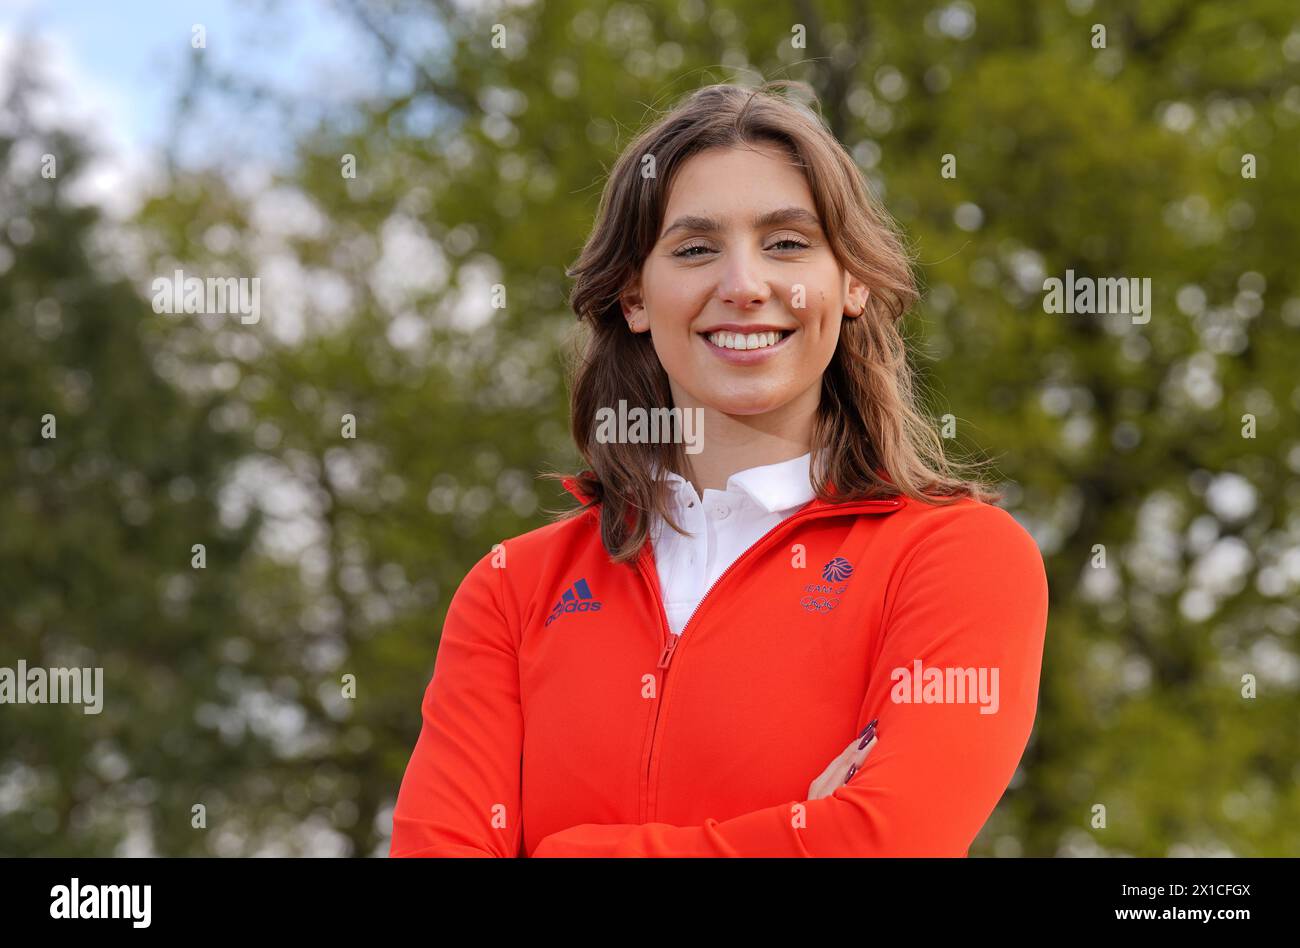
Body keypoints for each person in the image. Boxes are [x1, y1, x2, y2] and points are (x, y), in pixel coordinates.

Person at [390, 81, 1048, 857]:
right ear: (635, 294)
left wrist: (564, 849)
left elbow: (883, 840)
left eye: (788, 243)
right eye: (696, 248)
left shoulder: (957, 557)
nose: (743, 286)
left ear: (854, 283)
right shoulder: (511, 590)